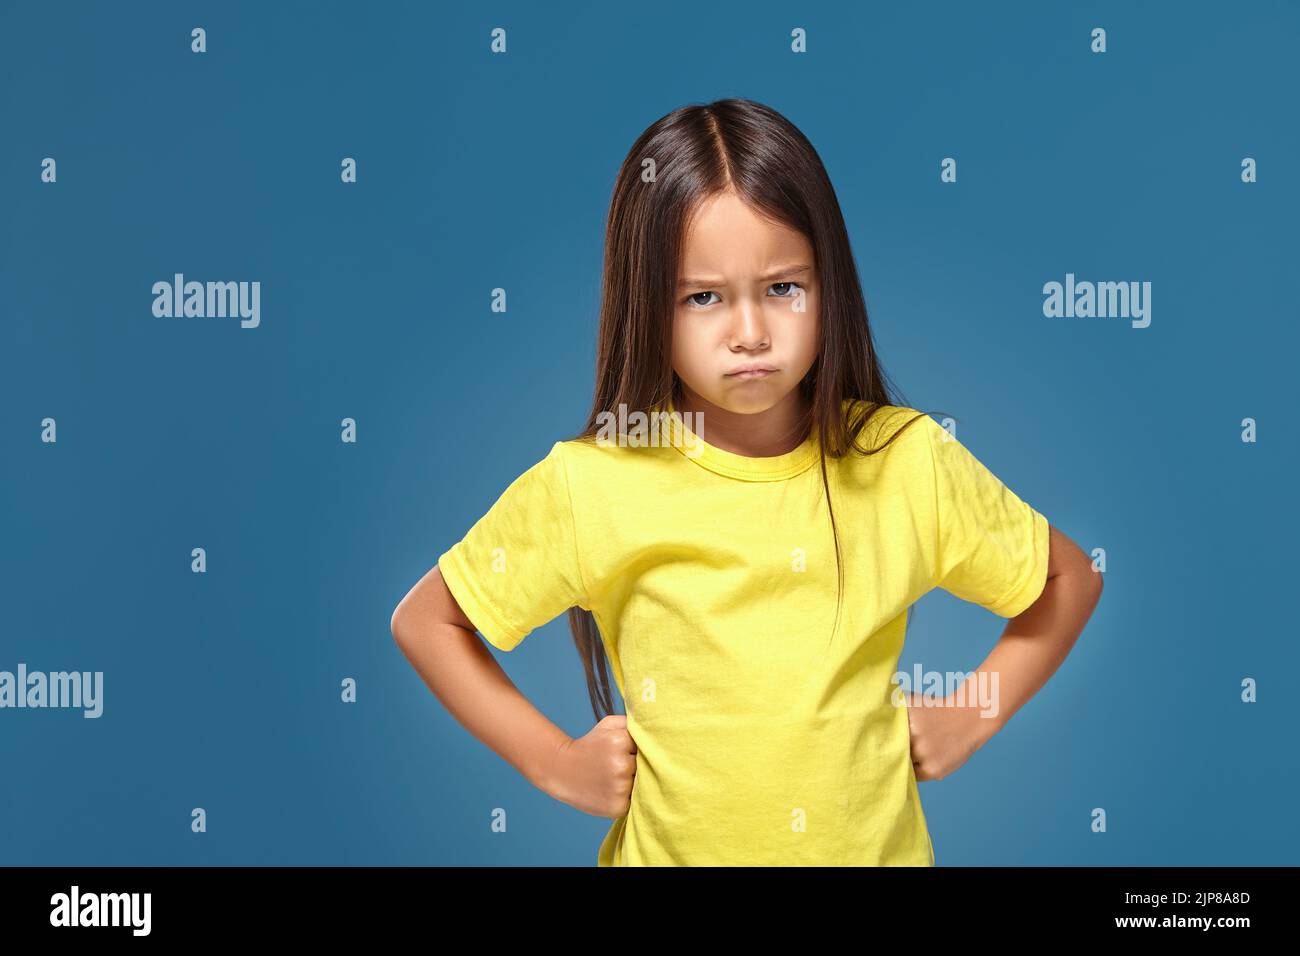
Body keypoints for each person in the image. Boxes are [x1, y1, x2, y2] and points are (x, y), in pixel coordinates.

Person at [391, 98, 1103, 866]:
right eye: (703, 297)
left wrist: (971, 714)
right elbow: (428, 622)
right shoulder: (593, 483)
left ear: (829, 285)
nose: (751, 332)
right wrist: (554, 763)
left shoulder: (905, 460)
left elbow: (1070, 578)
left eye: (783, 287)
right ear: (646, 306)